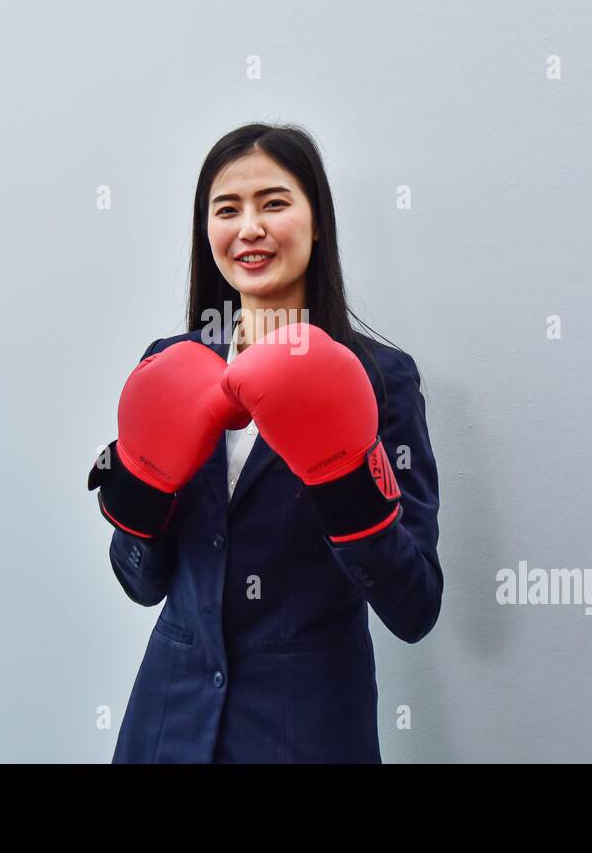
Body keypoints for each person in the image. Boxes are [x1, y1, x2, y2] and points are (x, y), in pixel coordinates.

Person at [87, 122, 442, 763]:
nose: (249, 227)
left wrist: (343, 481)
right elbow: (140, 583)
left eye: (274, 203)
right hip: (169, 728)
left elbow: (414, 607)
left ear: (318, 221)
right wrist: (142, 487)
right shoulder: (168, 366)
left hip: (306, 733)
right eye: (227, 209)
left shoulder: (381, 379)